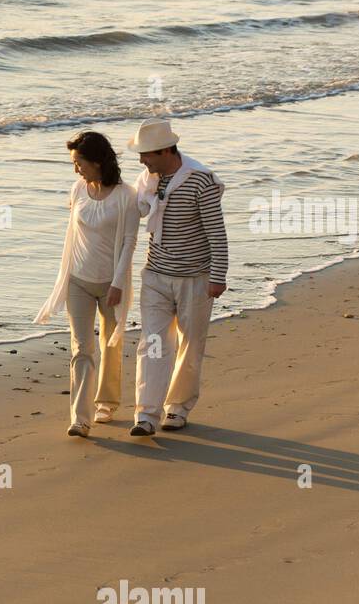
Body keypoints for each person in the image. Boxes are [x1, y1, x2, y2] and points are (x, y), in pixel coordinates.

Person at [125, 118, 228, 437]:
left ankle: (178, 408)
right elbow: (137, 212)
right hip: (155, 275)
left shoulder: (201, 180)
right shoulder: (148, 179)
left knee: (190, 345)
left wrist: (219, 276)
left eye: (147, 154)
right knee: (152, 343)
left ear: (167, 150)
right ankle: (146, 414)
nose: (142, 160)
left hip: (195, 278)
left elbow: (216, 232)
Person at [34, 130, 140, 438]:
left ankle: (106, 402)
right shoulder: (77, 189)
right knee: (82, 347)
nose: (75, 168)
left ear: (97, 161)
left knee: (111, 342)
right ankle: (80, 418)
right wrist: (65, 277)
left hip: (111, 283)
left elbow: (130, 244)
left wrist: (119, 283)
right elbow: (74, 234)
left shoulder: (127, 196)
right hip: (78, 280)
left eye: (78, 162)